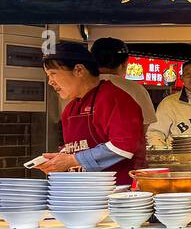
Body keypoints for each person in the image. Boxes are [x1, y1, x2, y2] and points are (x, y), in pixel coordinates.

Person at [37, 42, 145, 184]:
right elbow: (80, 147)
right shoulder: (70, 109)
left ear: (79, 70)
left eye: (53, 74)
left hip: (118, 191)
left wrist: (72, 160)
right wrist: (60, 158)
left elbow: (124, 146)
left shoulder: (114, 99)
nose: (50, 82)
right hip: (85, 191)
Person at [90, 37, 155, 128]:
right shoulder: (136, 90)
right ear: (125, 62)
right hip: (125, 142)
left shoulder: (81, 88)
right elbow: (145, 126)